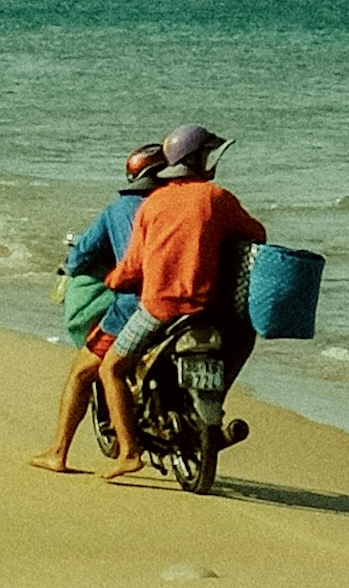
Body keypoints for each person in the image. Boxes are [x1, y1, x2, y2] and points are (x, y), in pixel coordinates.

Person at [93, 122, 266, 494]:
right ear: (200, 160)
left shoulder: (153, 204)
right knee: (246, 338)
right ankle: (213, 402)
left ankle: (128, 451)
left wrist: (112, 280)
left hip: (160, 310)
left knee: (112, 368)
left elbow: (134, 266)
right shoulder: (217, 198)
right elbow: (257, 234)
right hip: (208, 310)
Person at [30, 144, 168, 474]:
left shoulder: (118, 210)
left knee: (83, 372)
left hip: (136, 306)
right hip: (190, 305)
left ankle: (59, 452)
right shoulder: (176, 205)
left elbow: (80, 256)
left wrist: (73, 264)